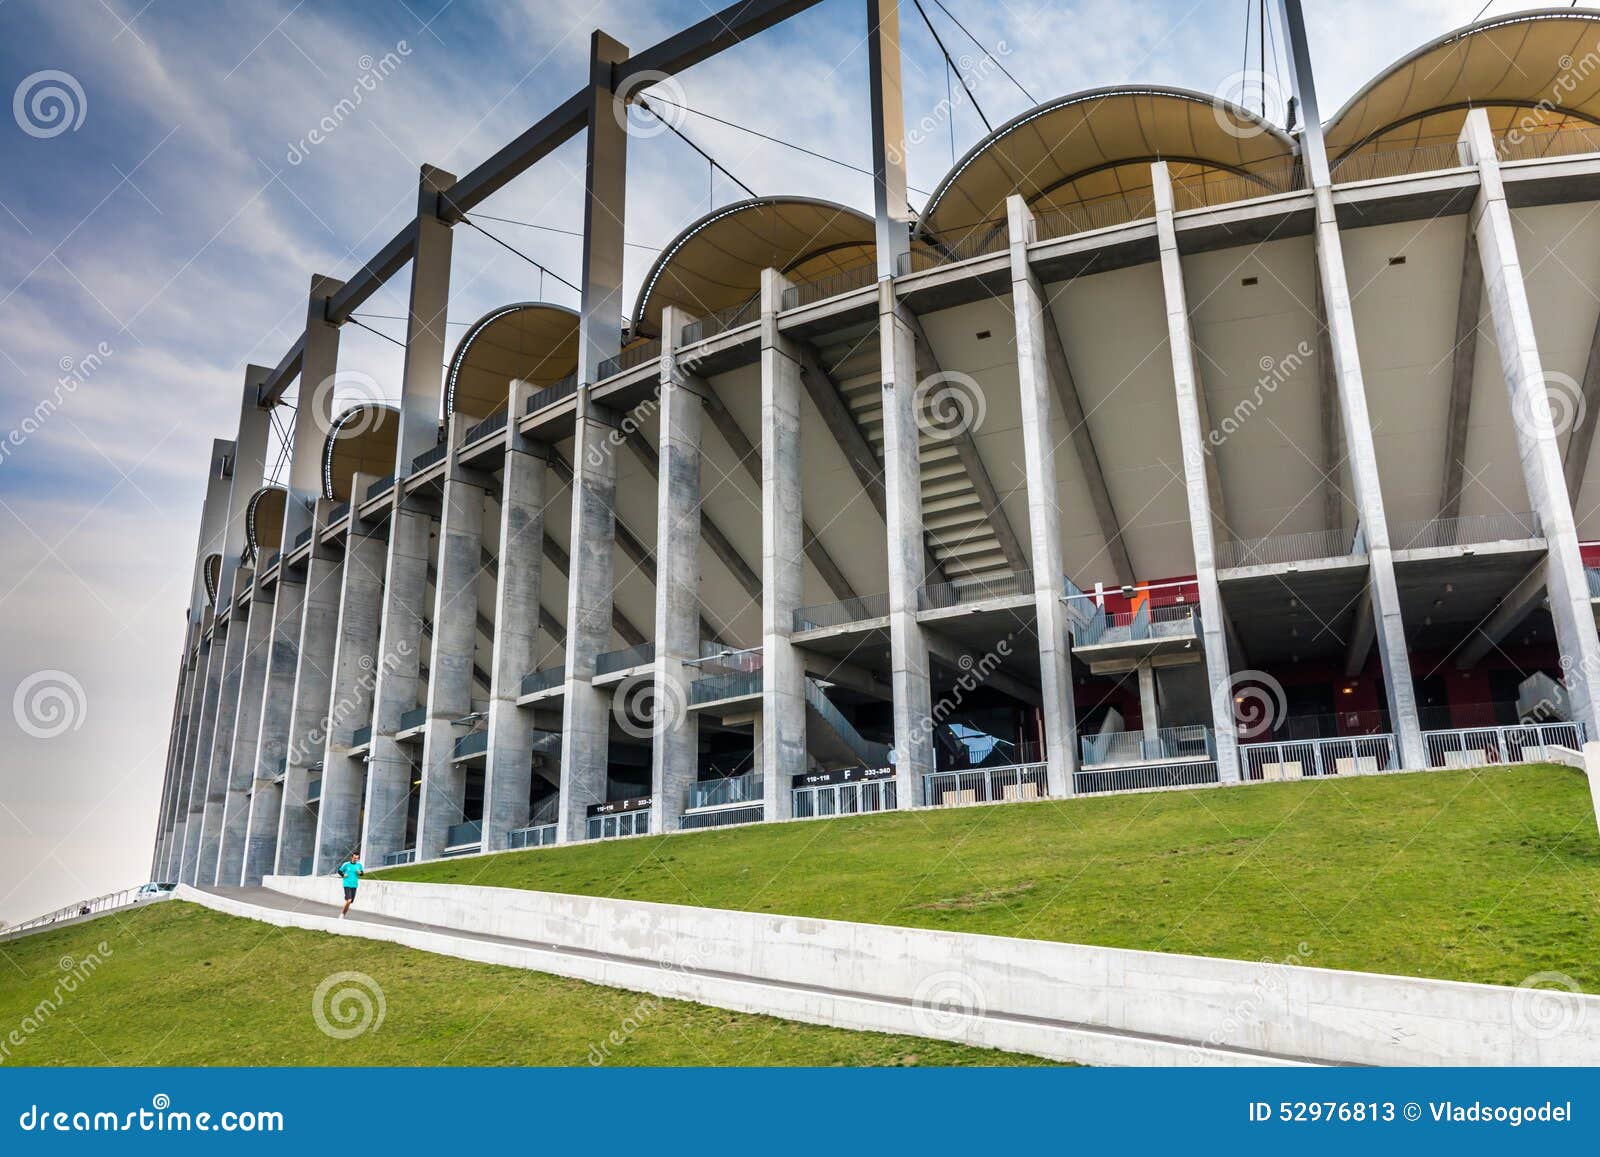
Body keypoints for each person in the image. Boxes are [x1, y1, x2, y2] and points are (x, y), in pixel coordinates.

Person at [337, 853, 364, 917]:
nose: (356, 859)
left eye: (357, 858)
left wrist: (360, 873)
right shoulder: (346, 864)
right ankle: (342, 915)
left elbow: (362, 873)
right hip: (347, 884)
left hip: (354, 885)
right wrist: (343, 875)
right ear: (352, 857)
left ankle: (343, 914)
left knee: (350, 901)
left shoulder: (359, 865)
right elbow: (339, 871)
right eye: (355, 858)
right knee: (349, 900)